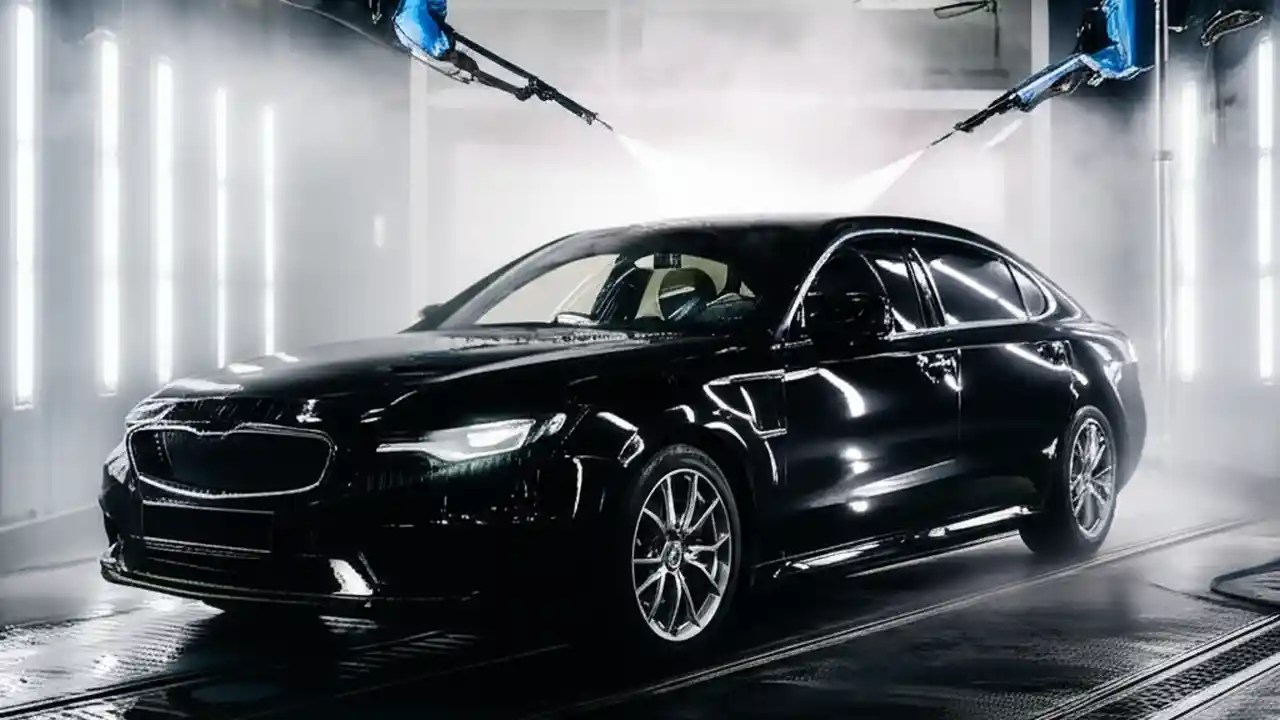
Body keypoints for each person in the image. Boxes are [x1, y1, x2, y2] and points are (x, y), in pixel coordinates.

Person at [277, 0, 610, 127]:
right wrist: (516, 90)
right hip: (402, 20)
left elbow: (466, 66)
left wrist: (517, 90)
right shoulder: (417, 25)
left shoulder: (419, 24)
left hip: (403, 19)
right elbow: (466, 67)